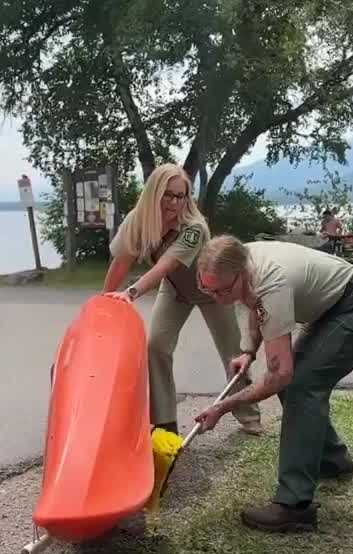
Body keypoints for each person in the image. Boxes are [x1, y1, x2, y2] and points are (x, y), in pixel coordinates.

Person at [192, 234, 353, 532]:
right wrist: (248, 350)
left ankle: (295, 505)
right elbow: (253, 304)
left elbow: (279, 374)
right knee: (296, 382)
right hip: (332, 305)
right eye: (206, 289)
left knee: (299, 385)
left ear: (242, 273)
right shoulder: (242, 261)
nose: (215, 299)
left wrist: (224, 407)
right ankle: (334, 464)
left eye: (220, 291)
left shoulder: (271, 283)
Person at [103, 163, 263, 436]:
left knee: (233, 352)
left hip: (214, 292)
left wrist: (130, 294)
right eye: (168, 194)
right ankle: (164, 421)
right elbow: (122, 262)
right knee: (156, 346)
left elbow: (166, 265)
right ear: (154, 193)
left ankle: (248, 413)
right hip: (176, 290)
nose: (175, 202)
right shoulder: (138, 221)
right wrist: (104, 304)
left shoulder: (194, 227)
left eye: (181, 196)